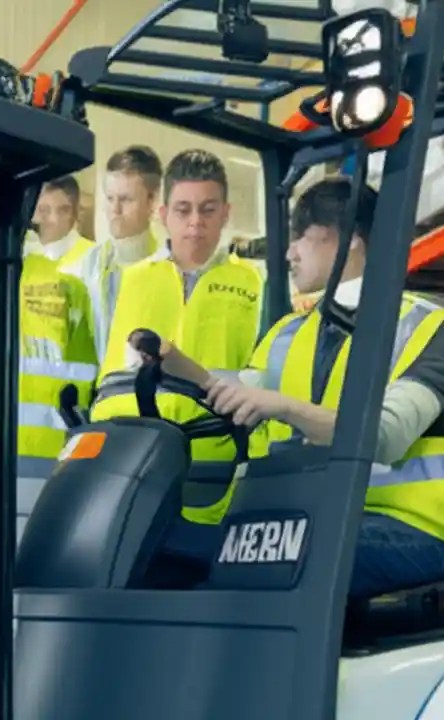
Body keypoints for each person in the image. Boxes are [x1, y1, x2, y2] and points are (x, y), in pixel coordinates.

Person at [156, 177, 444, 599]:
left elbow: (383, 435)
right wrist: (175, 363)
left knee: (274, 556)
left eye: (302, 237)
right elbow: (238, 396)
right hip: (309, 515)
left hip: (411, 528)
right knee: (162, 544)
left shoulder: (426, 329)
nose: (289, 252)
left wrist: (281, 406)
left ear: (351, 241)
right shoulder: (290, 333)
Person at [91, 149, 264, 523]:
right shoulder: (127, 279)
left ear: (226, 213)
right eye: (183, 210)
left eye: (208, 209)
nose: (195, 223)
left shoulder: (254, 282)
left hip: (214, 458)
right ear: (163, 214)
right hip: (130, 457)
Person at [17, 176, 97, 497]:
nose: (51, 219)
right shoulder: (20, 262)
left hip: (66, 426)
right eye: (44, 209)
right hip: (25, 431)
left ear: (75, 212)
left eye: (61, 210)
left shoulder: (91, 260)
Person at [62, 145, 164, 361]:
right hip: (101, 391)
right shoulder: (87, 267)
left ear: (152, 201)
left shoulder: (170, 267)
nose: (114, 210)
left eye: (126, 199)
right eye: (109, 198)